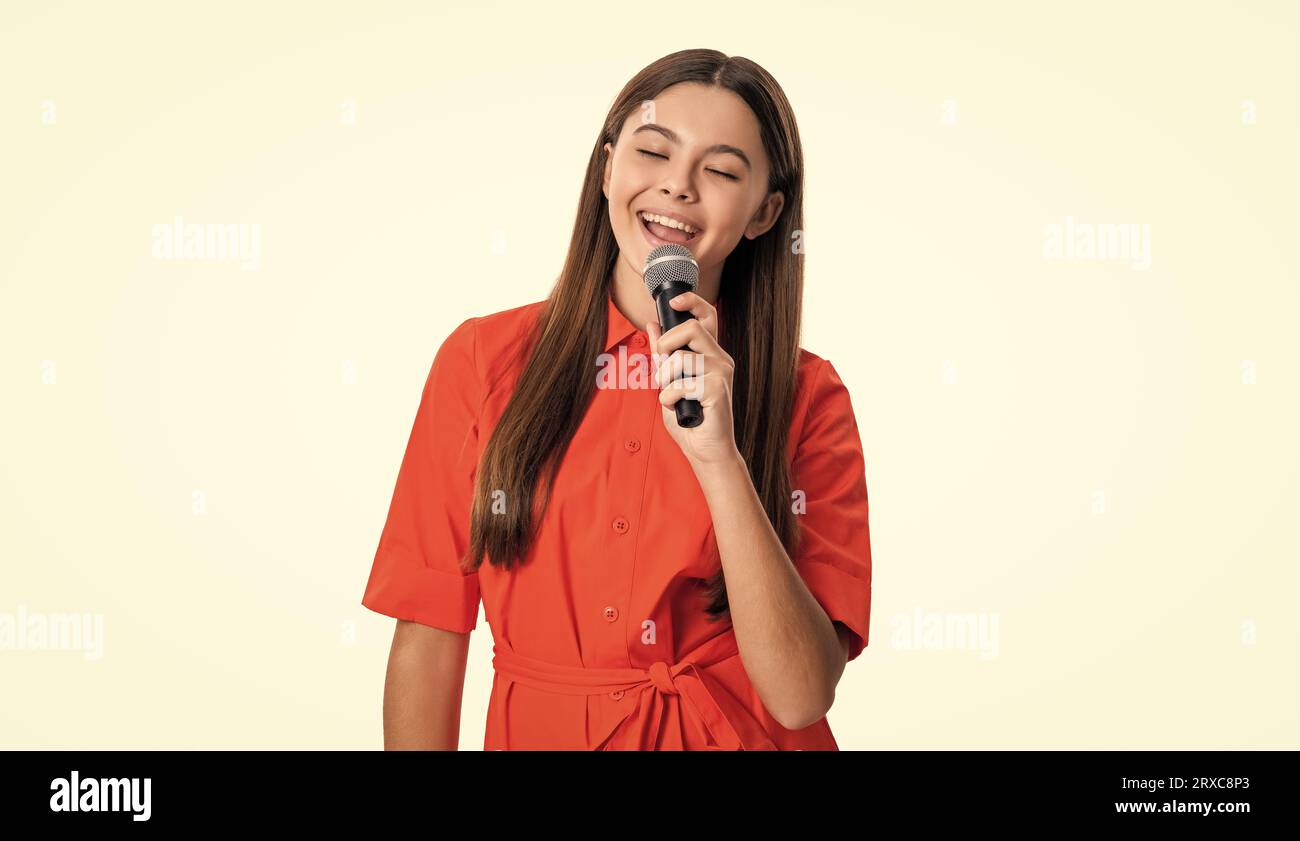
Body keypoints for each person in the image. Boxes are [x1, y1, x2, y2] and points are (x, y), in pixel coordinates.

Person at [361, 48, 872, 750]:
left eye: (721, 171)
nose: (677, 187)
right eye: (653, 152)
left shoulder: (809, 396)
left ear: (764, 212)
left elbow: (800, 693)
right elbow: (428, 630)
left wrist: (720, 458)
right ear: (607, 169)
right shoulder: (480, 362)